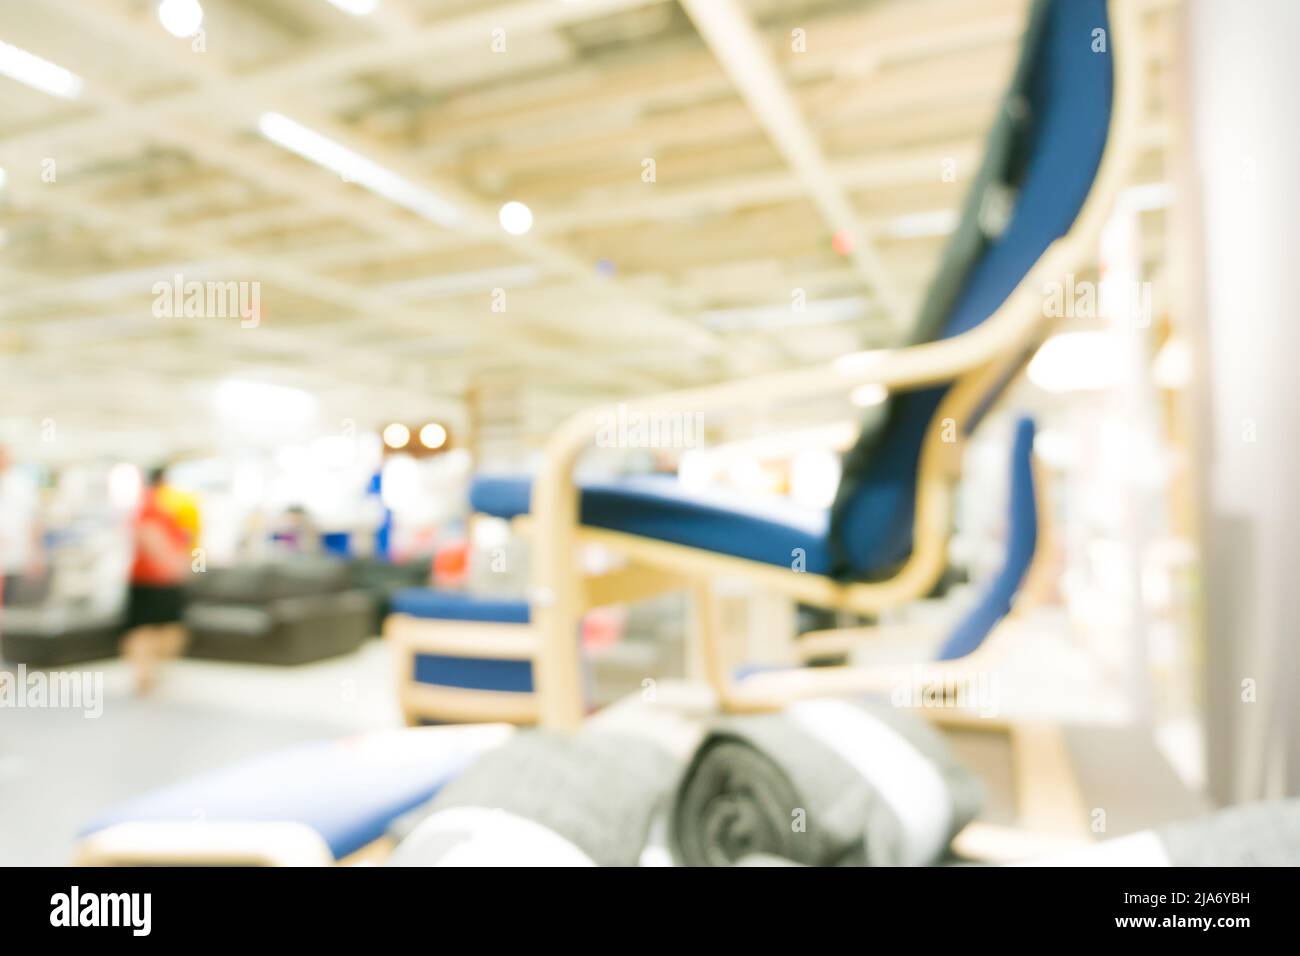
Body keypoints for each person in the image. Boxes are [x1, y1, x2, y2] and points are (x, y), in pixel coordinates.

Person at [120, 466, 196, 693]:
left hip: (164, 580)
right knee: (144, 628)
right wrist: (173, 565)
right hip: (151, 579)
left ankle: (152, 670)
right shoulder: (151, 505)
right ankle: (143, 675)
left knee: (169, 629)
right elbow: (147, 535)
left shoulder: (170, 507)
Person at [0, 445, 45, 610]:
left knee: (9, 601)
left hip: (15, 553)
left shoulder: (22, 485)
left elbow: (34, 520)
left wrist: (37, 553)